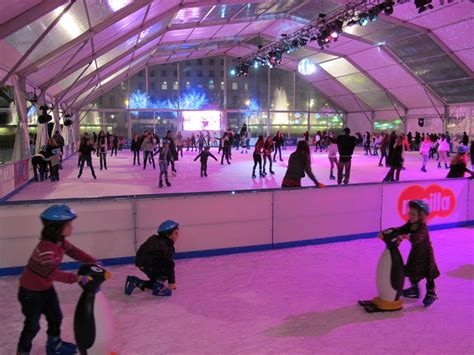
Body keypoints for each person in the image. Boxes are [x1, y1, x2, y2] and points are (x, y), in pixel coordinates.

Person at [17, 205, 97, 354]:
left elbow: (74, 252)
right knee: (32, 326)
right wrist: (78, 278)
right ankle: (22, 350)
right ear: (56, 228)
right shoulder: (46, 247)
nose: (72, 227)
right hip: (30, 293)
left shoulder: (60, 242)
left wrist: (92, 261)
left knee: (56, 317)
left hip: (45, 289)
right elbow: (52, 273)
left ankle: (54, 345)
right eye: (68, 225)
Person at [387, 200, 440, 307]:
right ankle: (414, 289)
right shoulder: (411, 224)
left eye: (413, 214)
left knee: (428, 274)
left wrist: (407, 237)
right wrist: (392, 230)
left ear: (421, 216)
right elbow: (403, 229)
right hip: (416, 252)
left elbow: (418, 237)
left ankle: (431, 293)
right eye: (409, 213)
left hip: (425, 253)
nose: (410, 216)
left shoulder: (422, 227)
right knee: (412, 269)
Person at [125, 220, 179, 297]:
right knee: (169, 266)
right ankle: (158, 288)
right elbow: (169, 264)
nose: (178, 236)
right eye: (176, 234)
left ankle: (135, 282)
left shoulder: (155, 239)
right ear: (168, 235)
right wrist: (172, 282)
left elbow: (144, 251)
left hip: (143, 264)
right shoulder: (166, 246)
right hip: (149, 265)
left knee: (155, 282)